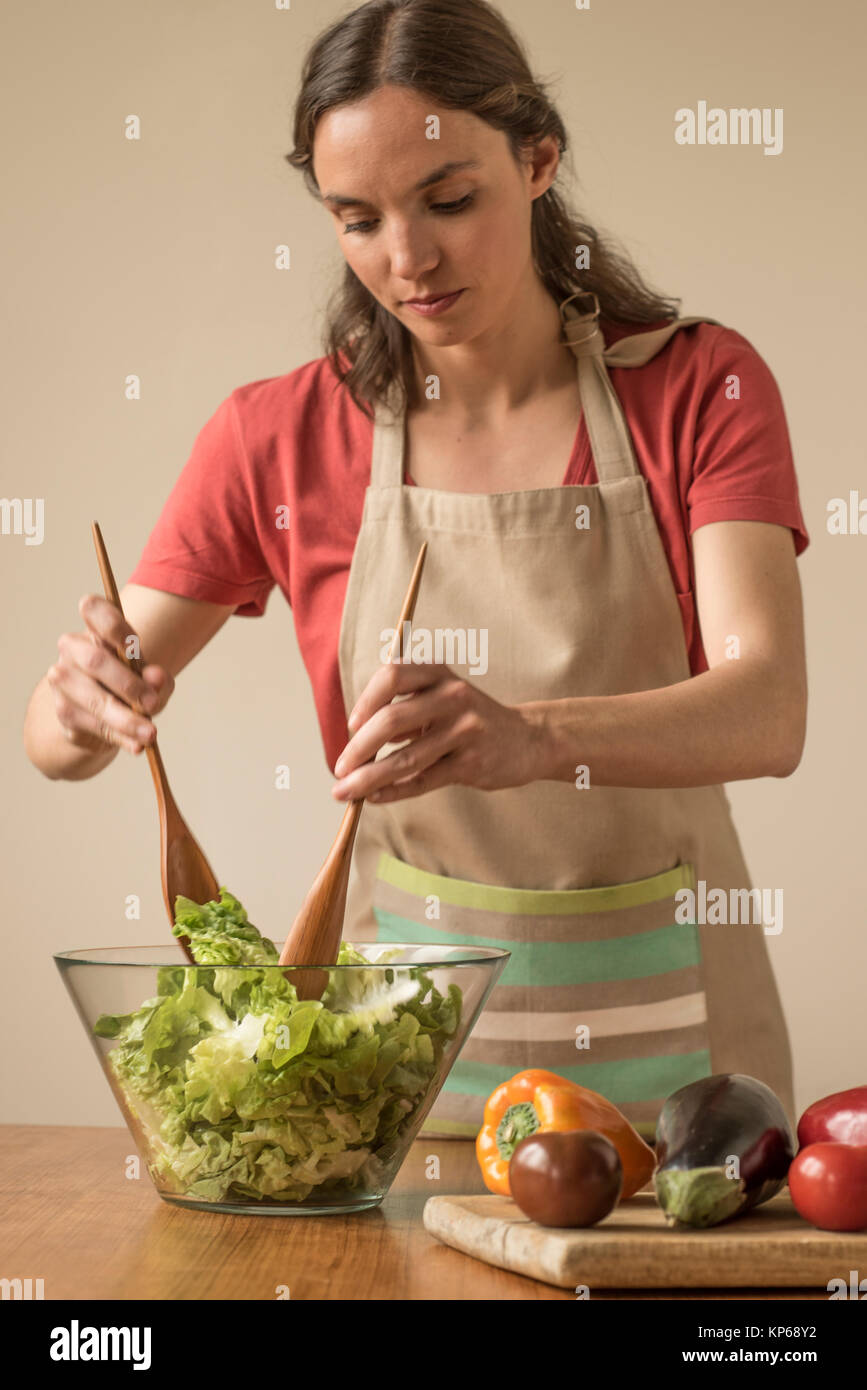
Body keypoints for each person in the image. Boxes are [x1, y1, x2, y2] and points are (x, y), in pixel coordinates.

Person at [23, 0, 808, 1142]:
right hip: (397, 1079)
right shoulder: (277, 437)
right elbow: (58, 741)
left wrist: (533, 738)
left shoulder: (700, 388)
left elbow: (769, 708)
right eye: (357, 219)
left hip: (688, 1091)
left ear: (538, 160)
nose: (409, 259)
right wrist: (82, 700)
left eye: (449, 201)